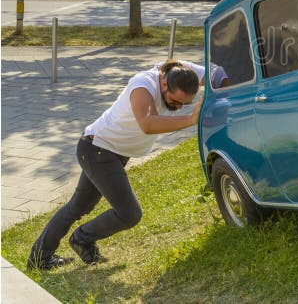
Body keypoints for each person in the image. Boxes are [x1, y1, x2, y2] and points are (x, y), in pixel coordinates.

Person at [27, 59, 206, 270]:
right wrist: (192, 119)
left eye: (185, 105)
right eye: (175, 102)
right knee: (129, 214)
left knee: (78, 206)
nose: (178, 107)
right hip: (98, 150)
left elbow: (217, 75)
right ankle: (81, 238)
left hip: (107, 151)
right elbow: (147, 123)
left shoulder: (182, 73)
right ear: (164, 84)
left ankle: (40, 257)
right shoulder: (143, 84)